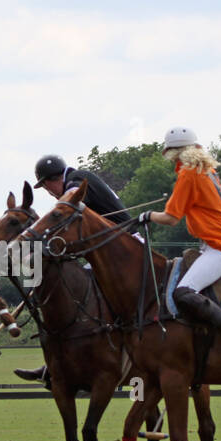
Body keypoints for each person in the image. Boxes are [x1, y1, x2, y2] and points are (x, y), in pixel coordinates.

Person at [137, 127, 221, 361]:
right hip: (220, 245)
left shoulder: (188, 174)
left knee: (183, 292)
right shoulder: (207, 171)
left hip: (219, 249)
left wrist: (147, 215)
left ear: (174, 152)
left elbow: (170, 218)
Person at [14, 155, 132, 385]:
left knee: (82, 289)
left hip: (123, 244)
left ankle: (117, 345)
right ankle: (59, 361)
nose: (48, 192)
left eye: (46, 186)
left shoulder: (77, 180)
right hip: (106, 247)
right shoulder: (75, 180)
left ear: (51, 180)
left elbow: (67, 203)